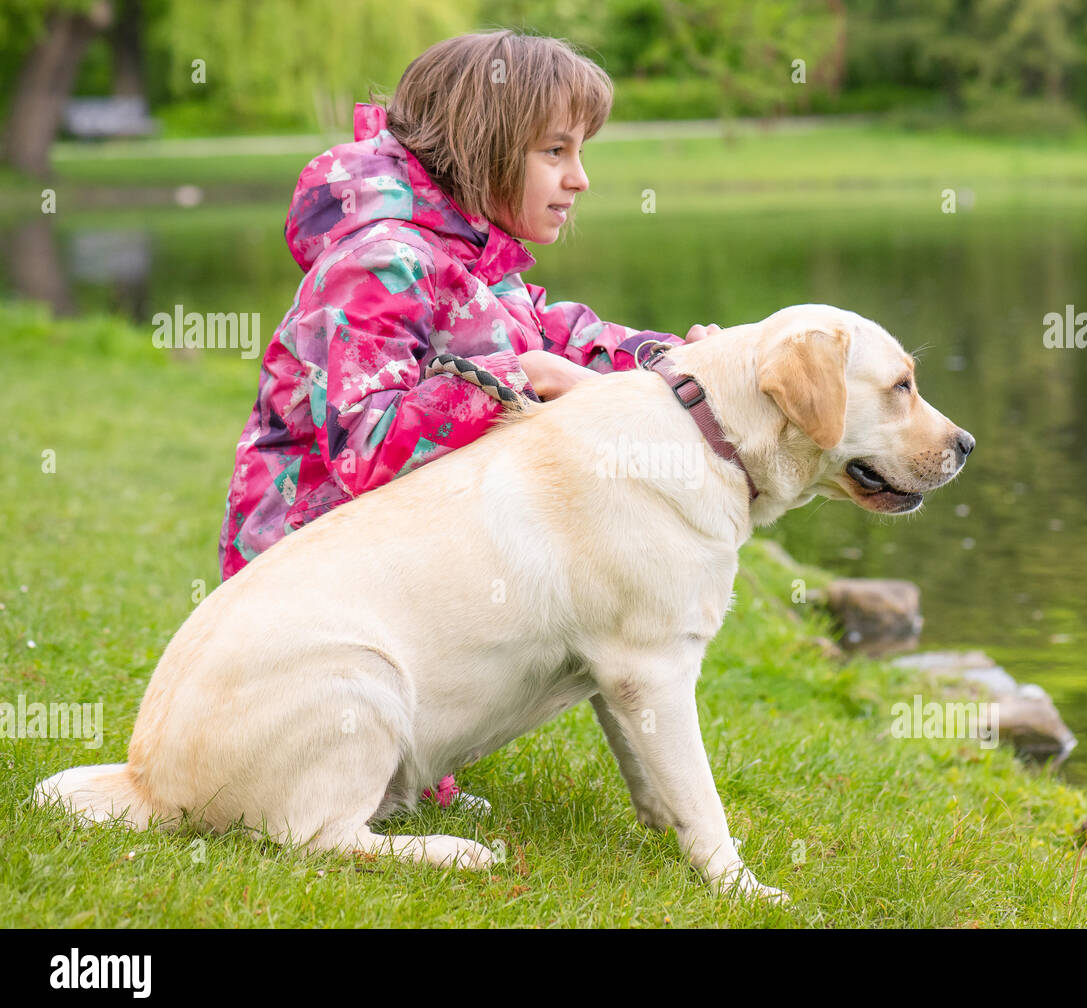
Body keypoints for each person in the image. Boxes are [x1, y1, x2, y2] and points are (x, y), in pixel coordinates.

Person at [216, 29, 720, 808]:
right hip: (313, 586)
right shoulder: (378, 262)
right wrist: (514, 378)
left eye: (581, 152)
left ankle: (407, 766)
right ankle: (342, 766)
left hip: (390, 569)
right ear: (483, 143)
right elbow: (368, 448)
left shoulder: (475, 253)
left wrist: (674, 362)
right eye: (556, 151)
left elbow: (558, 333)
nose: (579, 179)